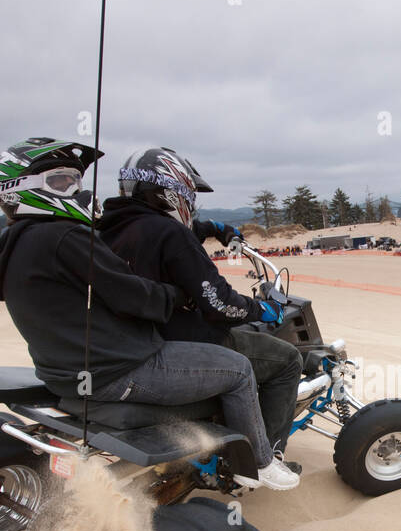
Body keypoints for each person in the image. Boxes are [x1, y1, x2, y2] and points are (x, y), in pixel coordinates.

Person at [0, 137, 298, 490]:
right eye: (63, 182)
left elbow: (119, 264)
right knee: (244, 368)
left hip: (63, 370)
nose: (77, 191)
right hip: (122, 367)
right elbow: (135, 295)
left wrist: (211, 229)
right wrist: (186, 297)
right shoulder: (67, 237)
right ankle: (259, 461)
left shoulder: (10, 246)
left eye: (75, 181)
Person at [97, 146, 304, 468]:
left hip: (135, 340)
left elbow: (158, 235)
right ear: (170, 193)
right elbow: (218, 303)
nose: (191, 204)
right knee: (287, 360)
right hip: (182, 339)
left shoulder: (109, 229)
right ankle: (267, 456)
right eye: (189, 195)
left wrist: (214, 229)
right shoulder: (170, 232)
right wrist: (262, 310)